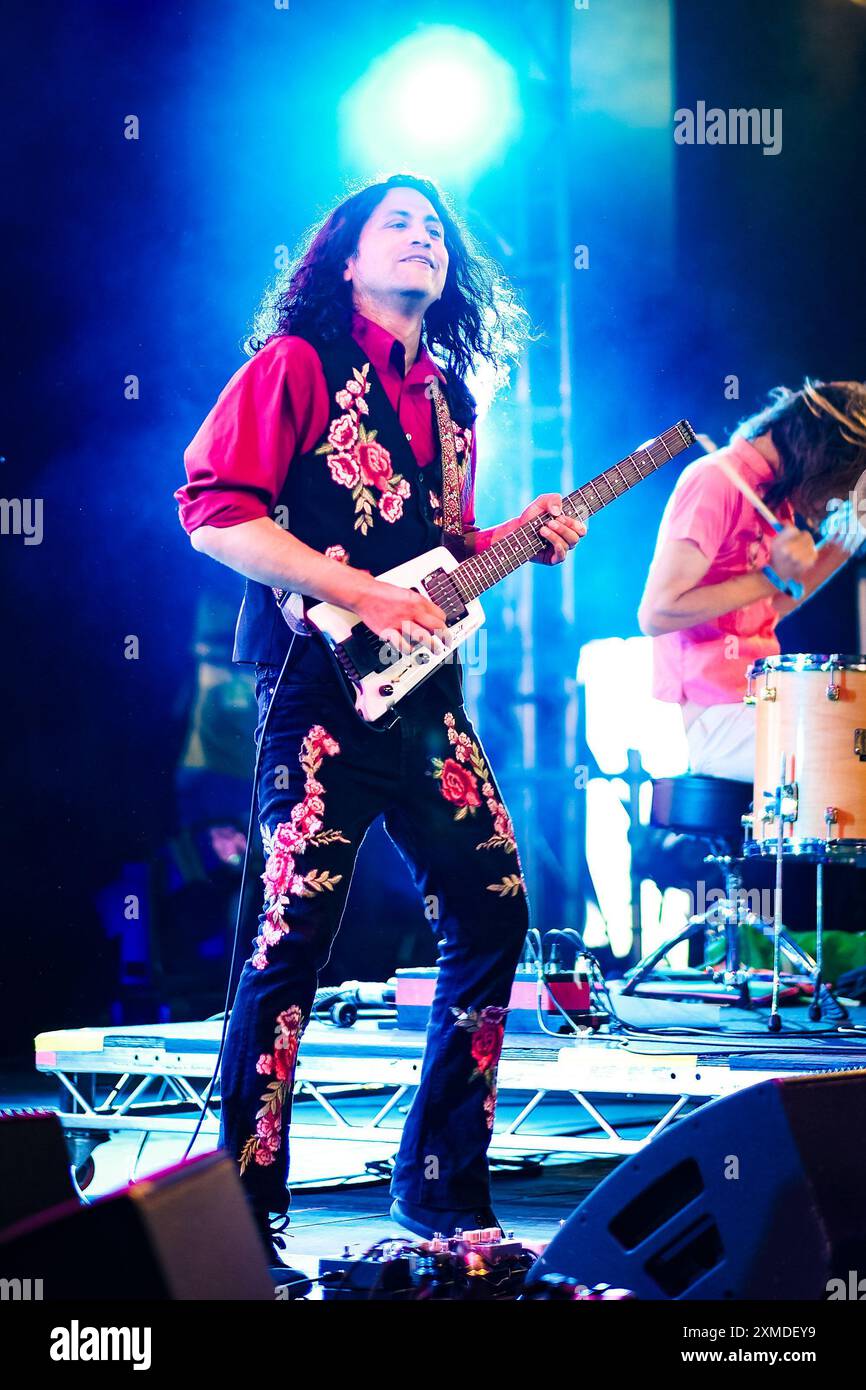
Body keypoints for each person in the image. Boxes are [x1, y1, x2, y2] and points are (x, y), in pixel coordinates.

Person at [175, 173, 586, 1260]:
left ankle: (444, 1186)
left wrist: (514, 531)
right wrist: (353, 591)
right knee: (288, 941)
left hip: (425, 698)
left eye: (436, 230)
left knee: (494, 909)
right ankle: (246, 1215)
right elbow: (213, 511)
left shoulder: (451, 398)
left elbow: (436, 558)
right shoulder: (296, 366)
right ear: (345, 260)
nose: (423, 239)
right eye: (395, 224)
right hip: (316, 689)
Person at [639, 381, 866, 781]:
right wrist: (772, 576)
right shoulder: (715, 479)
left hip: (755, 700)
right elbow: (657, 612)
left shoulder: (773, 495)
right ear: (822, 459)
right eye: (838, 489)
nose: (834, 503)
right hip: (712, 720)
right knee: (845, 752)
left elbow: (773, 606)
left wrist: (848, 535)